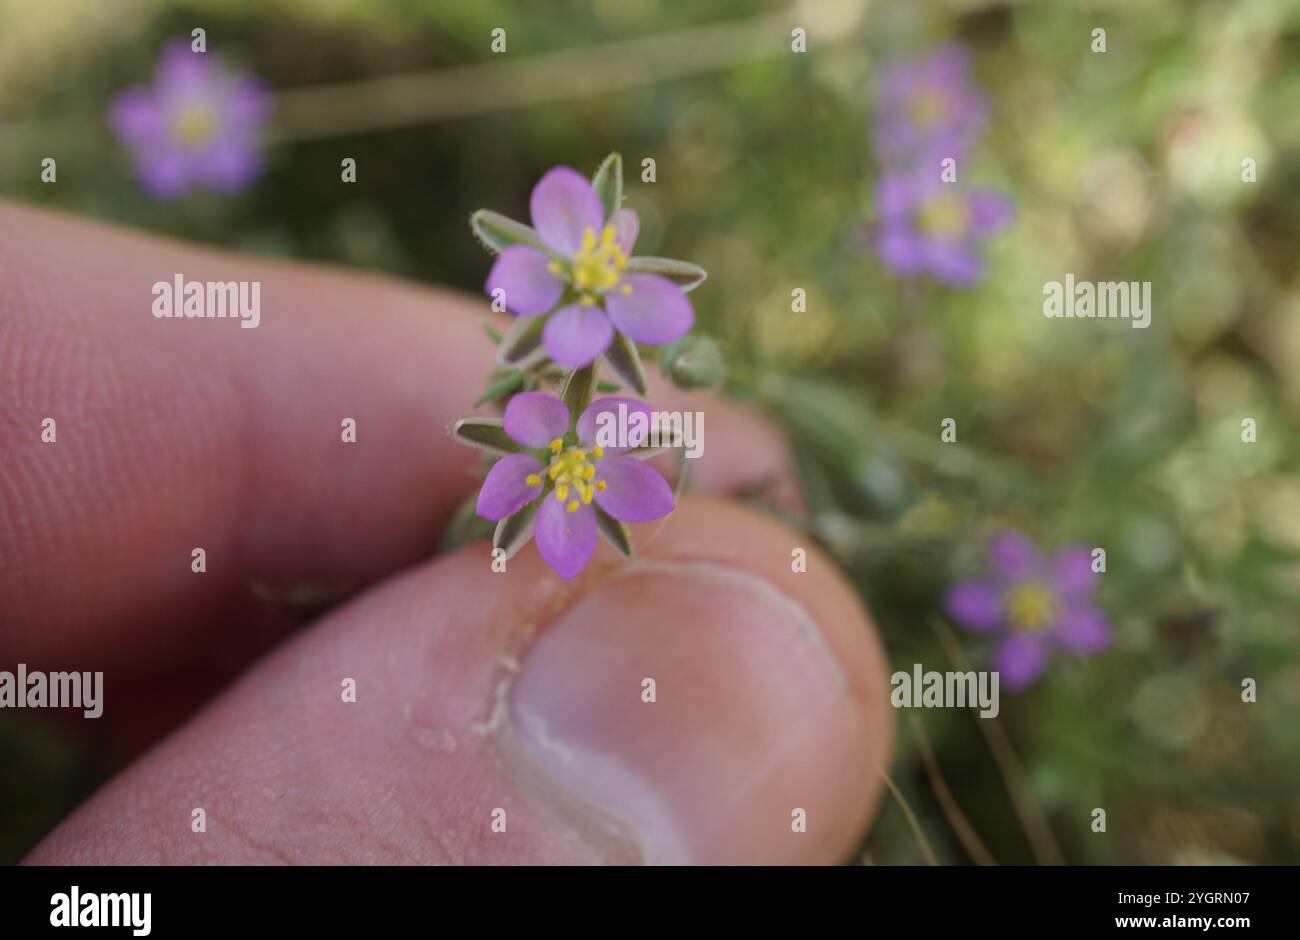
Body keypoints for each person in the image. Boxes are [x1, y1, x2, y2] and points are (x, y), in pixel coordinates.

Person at [1, 199, 891, 865]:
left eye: (599, 267)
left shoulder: (583, 428)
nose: (592, 270)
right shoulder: (547, 408)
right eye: (588, 264)